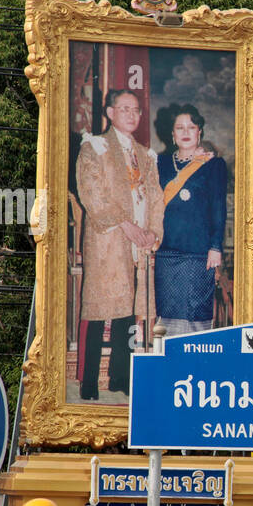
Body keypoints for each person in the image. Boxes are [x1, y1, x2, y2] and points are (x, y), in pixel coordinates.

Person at [75, 88, 165, 401]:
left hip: (138, 243)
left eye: (136, 110)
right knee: (100, 310)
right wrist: (126, 225)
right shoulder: (95, 146)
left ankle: (120, 379)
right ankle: (88, 383)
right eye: (124, 108)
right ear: (110, 112)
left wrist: (152, 231)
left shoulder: (146, 154)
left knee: (129, 312)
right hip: (108, 239)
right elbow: (91, 193)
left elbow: (155, 197)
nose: (131, 114)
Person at [154, 103, 229, 335]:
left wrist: (215, 247)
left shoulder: (214, 165)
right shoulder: (160, 164)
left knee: (196, 315)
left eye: (191, 127)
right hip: (166, 252)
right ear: (173, 135)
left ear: (200, 132)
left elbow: (218, 207)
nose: (186, 132)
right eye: (180, 128)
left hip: (198, 253)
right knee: (167, 317)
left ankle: (193, 367)